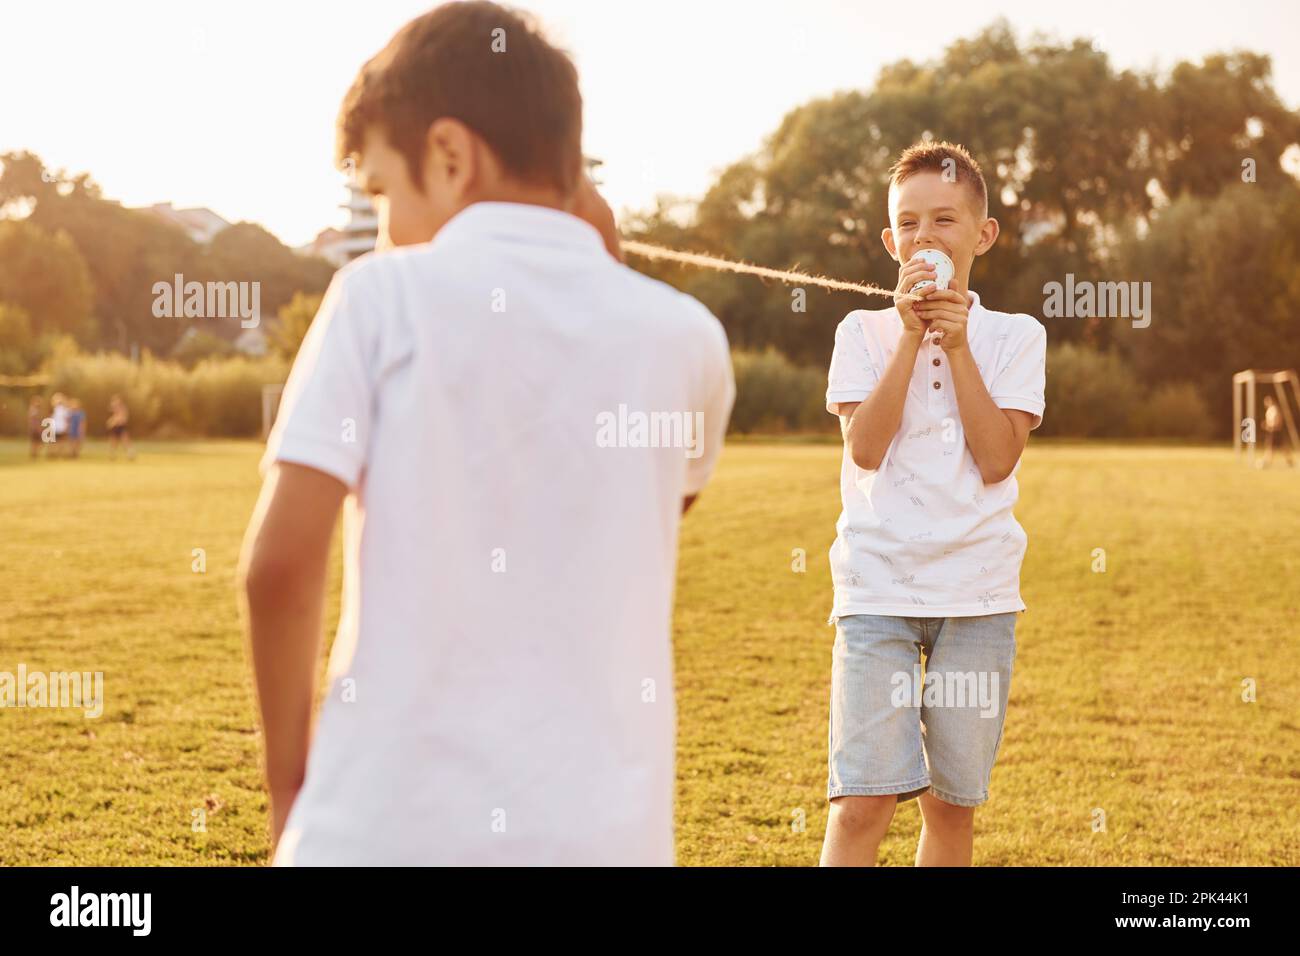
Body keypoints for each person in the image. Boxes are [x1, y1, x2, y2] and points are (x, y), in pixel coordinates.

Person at [238, 1, 735, 866]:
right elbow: (637, 505)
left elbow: (278, 566)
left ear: (451, 155)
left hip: (381, 832)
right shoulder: (688, 336)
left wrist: (290, 791)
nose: (386, 224)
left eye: (383, 190)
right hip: (605, 842)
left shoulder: (377, 298)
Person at [820, 141, 1046, 867]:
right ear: (891, 242)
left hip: (976, 594)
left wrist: (960, 345)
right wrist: (912, 340)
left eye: (945, 220)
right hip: (877, 588)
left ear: (981, 235)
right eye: (909, 224)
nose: (926, 237)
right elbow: (865, 448)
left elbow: (996, 457)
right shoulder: (863, 332)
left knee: (950, 806)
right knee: (862, 804)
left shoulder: (1016, 336)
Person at [1258, 394, 1295, 468]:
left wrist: (1268, 426)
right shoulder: (1270, 410)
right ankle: (1288, 461)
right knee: (1275, 447)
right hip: (1273, 431)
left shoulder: (1274, 409)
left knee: (1272, 447)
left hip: (1275, 431)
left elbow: (1276, 421)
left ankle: (1267, 462)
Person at [106, 394, 133, 460]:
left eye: (116, 400)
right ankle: (112, 455)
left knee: (125, 440)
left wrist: (113, 421)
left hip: (121, 427)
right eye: (113, 401)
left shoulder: (123, 408)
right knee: (113, 441)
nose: (114, 402)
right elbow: (113, 418)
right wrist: (111, 421)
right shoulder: (113, 410)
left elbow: (123, 418)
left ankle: (130, 454)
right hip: (115, 427)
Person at [49, 393, 69, 458]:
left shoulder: (64, 410)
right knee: (54, 441)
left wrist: (66, 427)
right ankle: (53, 453)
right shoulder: (54, 409)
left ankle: (59, 453)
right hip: (55, 427)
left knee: (61, 441)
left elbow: (66, 419)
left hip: (61, 428)